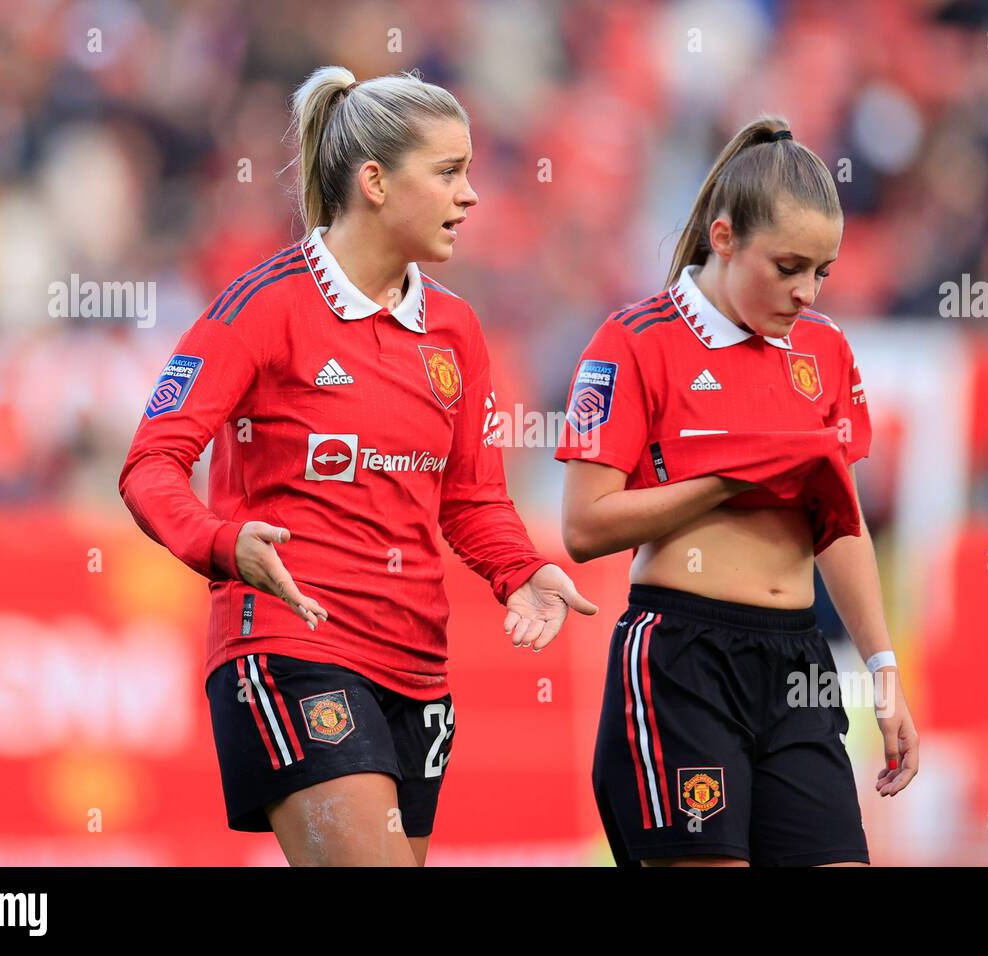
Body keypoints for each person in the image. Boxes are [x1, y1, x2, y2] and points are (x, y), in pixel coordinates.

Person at [119, 66, 597, 867]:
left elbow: (472, 498)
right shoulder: (261, 305)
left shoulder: (457, 331)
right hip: (288, 649)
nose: (472, 195)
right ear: (374, 181)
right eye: (449, 172)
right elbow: (150, 464)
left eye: (470, 170)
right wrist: (222, 542)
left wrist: (520, 570)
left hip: (417, 668)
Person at [556, 116, 918, 867]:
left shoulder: (825, 349)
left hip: (799, 661)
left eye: (821, 271)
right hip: (682, 653)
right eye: (787, 266)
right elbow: (586, 526)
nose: (804, 291)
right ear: (722, 238)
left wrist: (883, 669)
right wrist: (727, 480)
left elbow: (839, 523)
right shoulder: (634, 341)